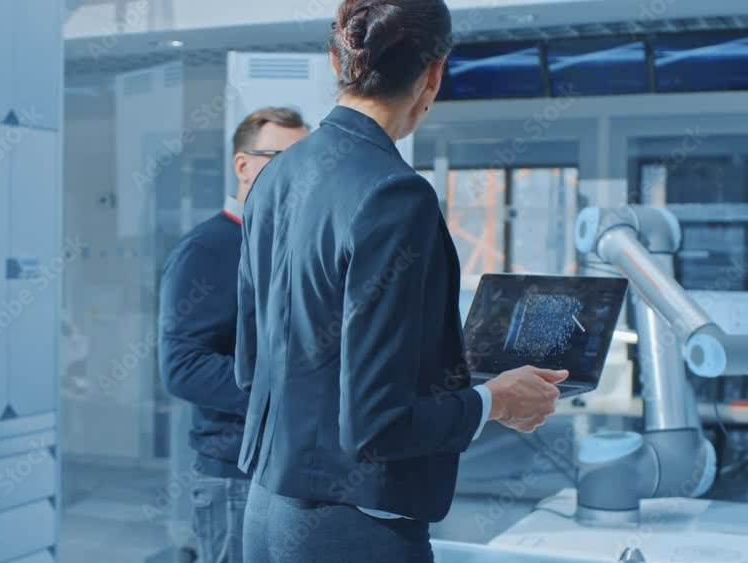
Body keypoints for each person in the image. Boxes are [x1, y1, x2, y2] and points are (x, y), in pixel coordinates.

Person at [235, 2, 568, 562]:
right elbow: (378, 427)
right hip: (351, 530)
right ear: (434, 73)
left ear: (336, 58)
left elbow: (251, 366)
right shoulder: (394, 193)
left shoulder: (274, 176)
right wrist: (495, 400)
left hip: (266, 513)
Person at [158, 107, 309, 563]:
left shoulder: (292, 242)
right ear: (242, 166)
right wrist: (291, 393)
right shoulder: (208, 249)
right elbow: (184, 369)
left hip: (291, 469)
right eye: (280, 156)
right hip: (236, 476)